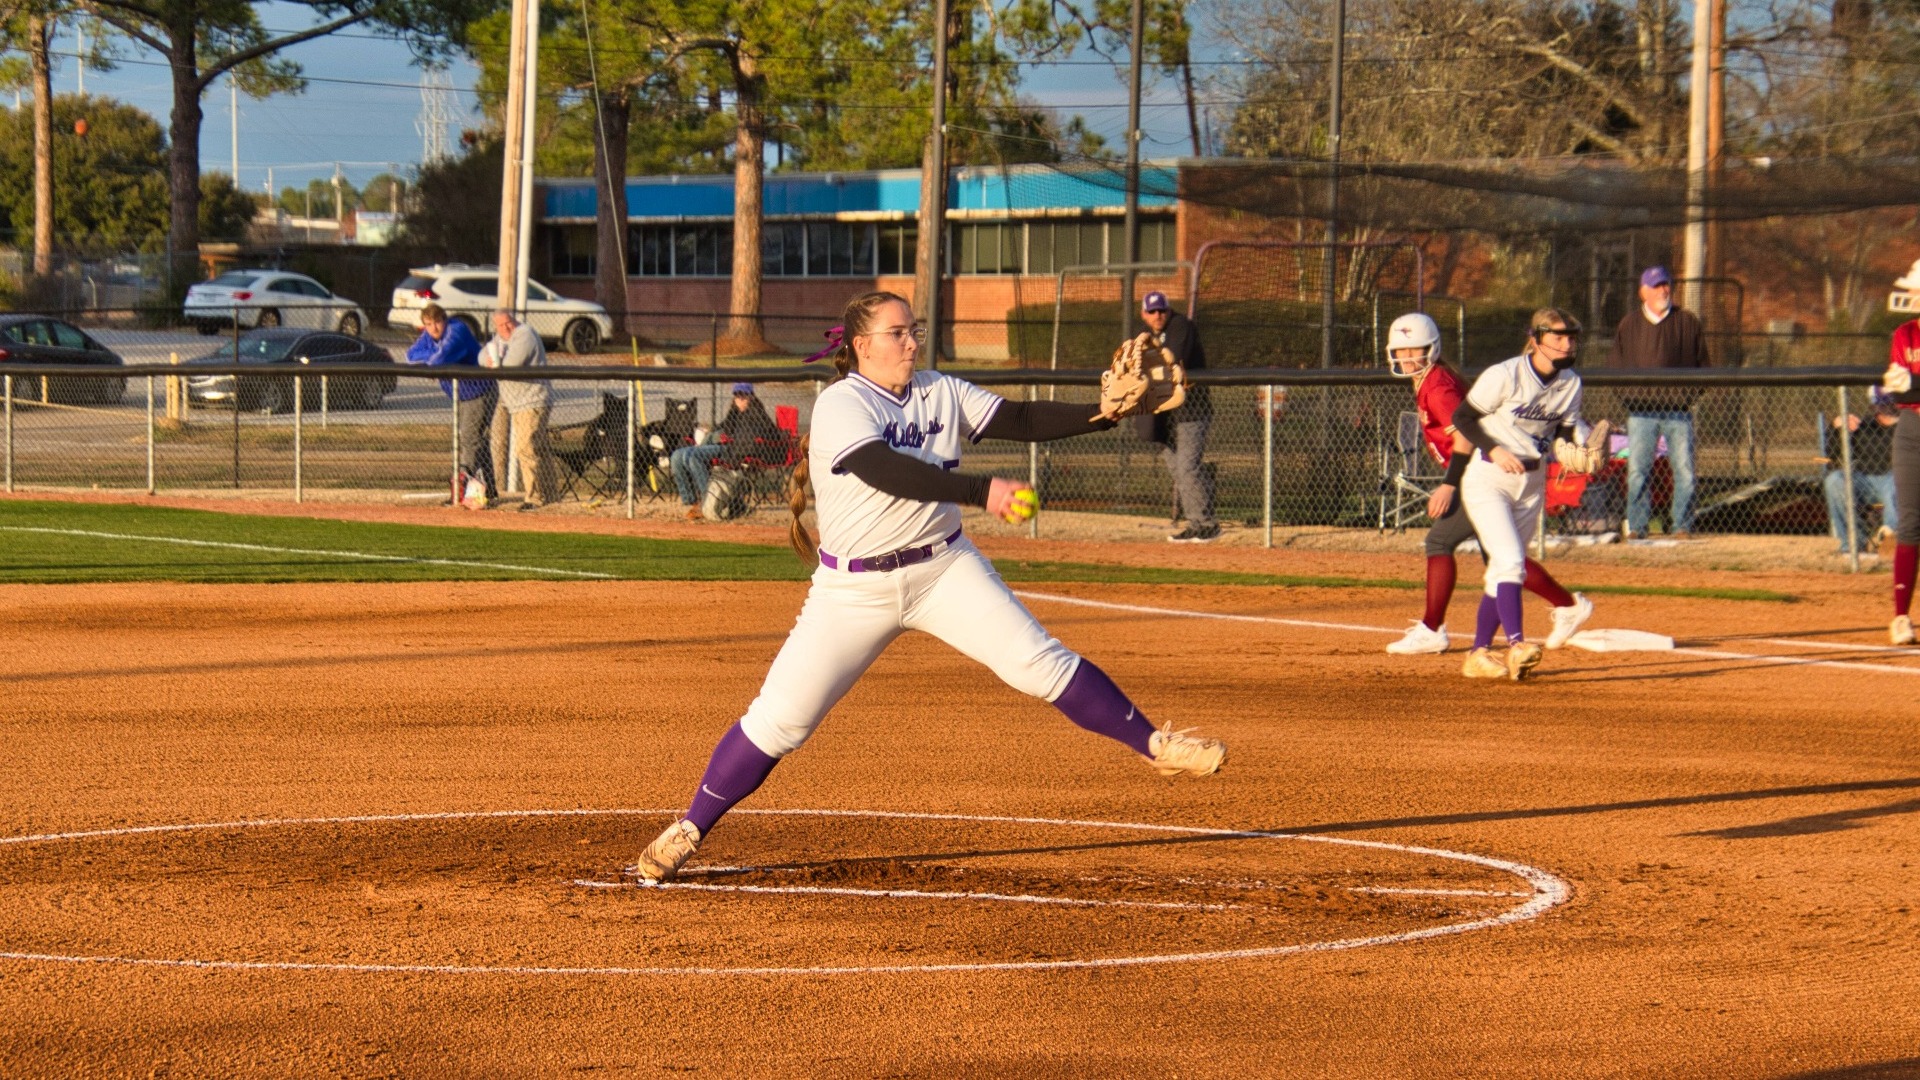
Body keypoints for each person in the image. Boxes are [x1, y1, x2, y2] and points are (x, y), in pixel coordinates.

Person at [629, 290, 1227, 884]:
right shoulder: (843, 404)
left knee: (1038, 663)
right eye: (897, 332)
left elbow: (1017, 419)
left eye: (913, 329)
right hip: (852, 591)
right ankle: (690, 828)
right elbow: (887, 472)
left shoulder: (941, 390)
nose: (912, 340)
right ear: (863, 345)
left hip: (945, 570)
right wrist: (979, 490)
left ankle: (1154, 744)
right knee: (782, 720)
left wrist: (1103, 412)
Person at [1379, 313, 1595, 657]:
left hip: (1480, 474)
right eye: (1401, 351)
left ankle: (1434, 629)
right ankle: (1568, 605)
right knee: (1502, 560)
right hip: (1487, 471)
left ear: (1431, 348)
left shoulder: (1437, 386)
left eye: (1414, 350)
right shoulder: (1431, 380)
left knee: (1443, 542)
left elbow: (1467, 429)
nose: (1407, 358)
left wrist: (1451, 483)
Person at [1448, 308, 1592, 681]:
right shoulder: (1505, 375)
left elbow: (1562, 432)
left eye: (1571, 337)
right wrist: (1494, 449)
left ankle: (1477, 655)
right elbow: (1462, 418)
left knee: (1503, 571)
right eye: (1558, 336)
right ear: (1536, 339)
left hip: (1531, 484)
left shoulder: (1571, 383)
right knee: (1512, 559)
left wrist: (1569, 451)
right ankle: (1516, 645)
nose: (1567, 343)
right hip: (1488, 478)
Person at [1614, 266, 1708, 540]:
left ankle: (1681, 526)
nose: (1663, 290)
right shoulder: (1629, 324)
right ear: (1643, 292)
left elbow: (1704, 365)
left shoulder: (1687, 322)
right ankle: (1637, 526)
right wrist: (1630, 399)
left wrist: (1688, 397)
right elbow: (1615, 367)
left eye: (1666, 284)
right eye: (1656, 286)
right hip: (1641, 412)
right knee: (1638, 472)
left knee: (1685, 472)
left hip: (1678, 412)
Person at [1136, 291, 1217, 542]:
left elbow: (1171, 361)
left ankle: (1207, 524)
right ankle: (1196, 522)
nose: (1158, 315)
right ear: (1144, 314)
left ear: (1169, 310)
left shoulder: (1181, 326)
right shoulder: (1142, 334)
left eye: (1162, 310)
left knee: (1187, 467)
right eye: (1152, 311)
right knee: (1178, 469)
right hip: (1164, 415)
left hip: (1191, 411)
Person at [405, 304, 495, 505]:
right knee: (472, 440)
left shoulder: (457, 330)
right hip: (460, 394)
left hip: (479, 390)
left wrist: (429, 359)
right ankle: (486, 490)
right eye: (429, 324)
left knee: (470, 439)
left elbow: (440, 359)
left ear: (445, 320)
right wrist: (430, 358)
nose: (434, 328)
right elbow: (410, 355)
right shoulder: (429, 335)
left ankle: (466, 491)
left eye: (437, 322)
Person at [669, 382, 778, 521]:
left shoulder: (756, 413)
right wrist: (712, 431)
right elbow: (725, 426)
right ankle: (692, 500)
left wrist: (729, 438)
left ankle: (707, 500)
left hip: (732, 450)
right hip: (724, 444)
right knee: (677, 456)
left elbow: (766, 433)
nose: (740, 399)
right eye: (737, 395)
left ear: (751, 396)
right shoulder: (735, 411)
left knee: (693, 456)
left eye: (744, 395)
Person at [483, 310, 555, 512]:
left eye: (509, 322)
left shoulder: (525, 334)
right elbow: (482, 356)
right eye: (501, 325)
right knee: (537, 448)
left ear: (514, 320)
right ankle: (550, 493)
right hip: (514, 402)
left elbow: (512, 363)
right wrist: (490, 360)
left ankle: (535, 497)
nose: (506, 328)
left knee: (525, 448)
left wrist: (496, 361)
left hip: (532, 400)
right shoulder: (499, 338)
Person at [1880, 314, 1920, 644]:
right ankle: (1901, 617)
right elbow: (1897, 388)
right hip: (1912, 428)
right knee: (1909, 524)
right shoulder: (1905, 333)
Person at [1821, 390, 1899, 554]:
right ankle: (1853, 546)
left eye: (1890, 404)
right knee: (1834, 480)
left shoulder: (1909, 425)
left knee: (1898, 478)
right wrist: (1837, 427)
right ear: (1873, 405)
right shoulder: (1862, 426)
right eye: (1882, 404)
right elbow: (1833, 455)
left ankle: (1891, 539)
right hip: (1864, 480)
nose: (1886, 409)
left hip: (1895, 481)